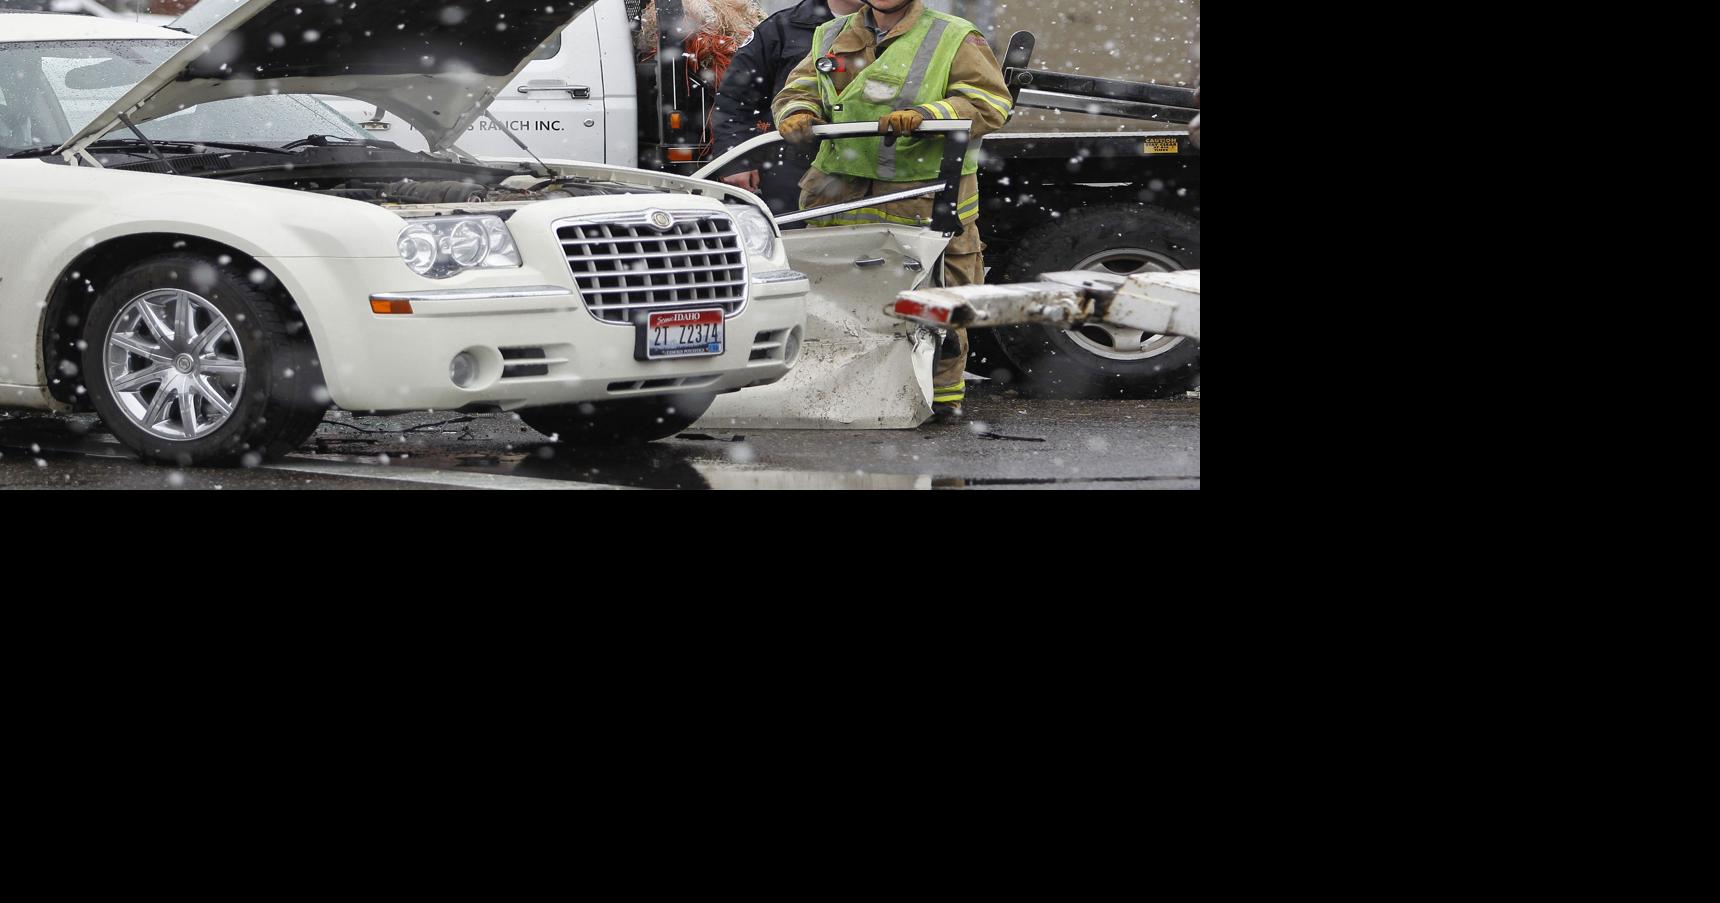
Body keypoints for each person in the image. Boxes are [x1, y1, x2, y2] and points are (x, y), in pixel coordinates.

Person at [770, 0, 1012, 421]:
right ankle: (846, 400)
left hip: (922, 196)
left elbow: (989, 102)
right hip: (839, 197)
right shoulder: (830, 34)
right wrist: (798, 113)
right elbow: (800, 88)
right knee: (839, 303)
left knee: (933, 305)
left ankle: (941, 405)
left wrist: (928, 115)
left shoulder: (953, 35)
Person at [710, 0, 863, 215]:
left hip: (869, 166)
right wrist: (735, 160)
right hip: (793, 167)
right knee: (793, 242)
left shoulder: (893, 31)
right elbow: (734, 99)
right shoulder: (783, 28)